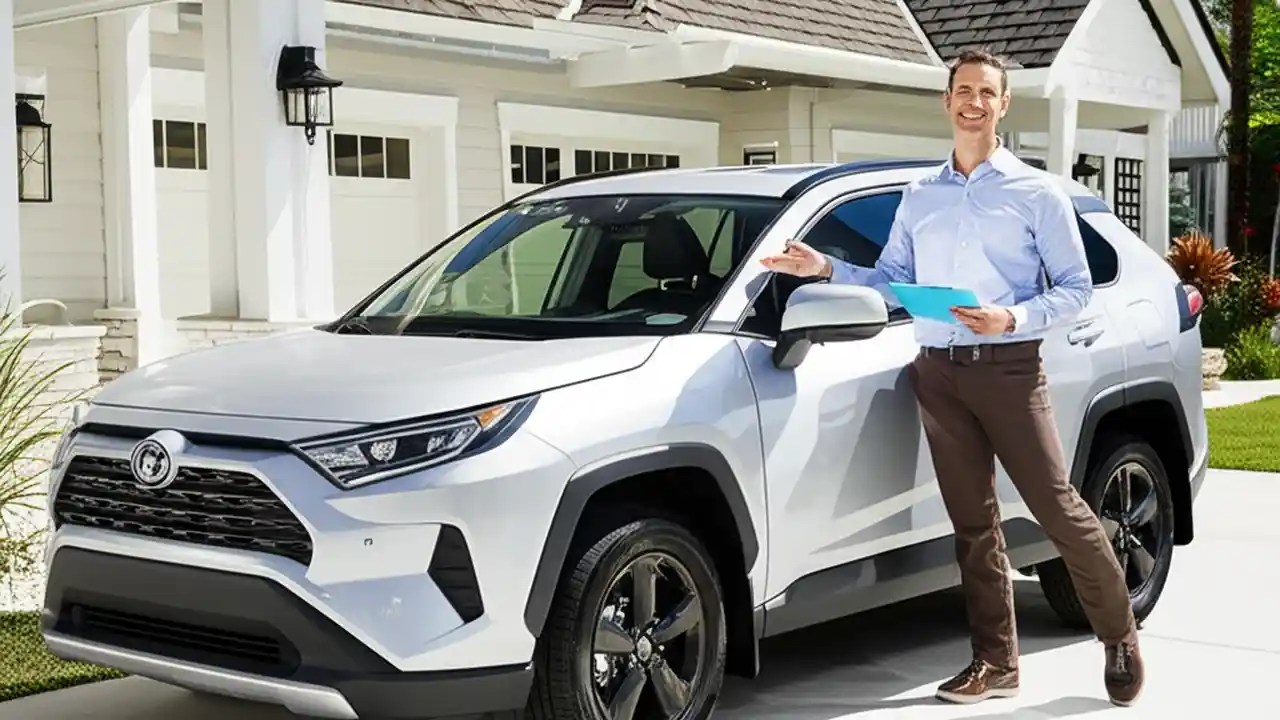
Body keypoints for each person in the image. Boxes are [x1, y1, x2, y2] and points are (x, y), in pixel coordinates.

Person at [760, 48, 1143, 707]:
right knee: (972, 524)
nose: (973, 102)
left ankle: (1119, 637)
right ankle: (996, 664)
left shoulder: (1037, 192)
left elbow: (1076, 288)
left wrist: (1011, 316)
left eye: (985, 93)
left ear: (1002, 105)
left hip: (1010, 370)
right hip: (938, 373)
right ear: (946, 101)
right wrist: (824, 268)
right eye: (962, 90)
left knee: (1060, 510)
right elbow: (889, 285)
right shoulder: (920, 195)